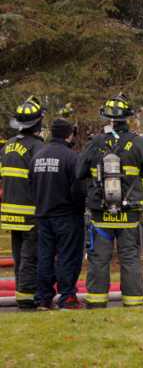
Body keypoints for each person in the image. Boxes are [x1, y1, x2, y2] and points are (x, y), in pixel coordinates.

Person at [77, 95, 143, 309]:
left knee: (99, 259)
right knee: (130, 259)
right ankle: (132, 303)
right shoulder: (138, 142)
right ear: (128, 118)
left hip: (100, 213)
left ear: (106, 118)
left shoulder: (95, 143)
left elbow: (79, 172)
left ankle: (96, 301)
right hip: (129, 212)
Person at [31, 117, 85, 310]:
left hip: (43, 216)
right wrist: (80, 209)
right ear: (69, 134)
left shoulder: (38, 156)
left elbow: (32, 185)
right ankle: (67, 297)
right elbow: (79, 190)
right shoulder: (72, 157)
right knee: (68, 257)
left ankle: (43, 298)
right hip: (67, 216)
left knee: (45, 257)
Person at [1, 97, 45, 310]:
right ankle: (27, 298)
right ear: (37, 123)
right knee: (30, 256)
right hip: (31, 211)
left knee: (19, 256)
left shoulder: (8, 146)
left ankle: (22, 291)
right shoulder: (37, 147)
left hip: (10, 212)